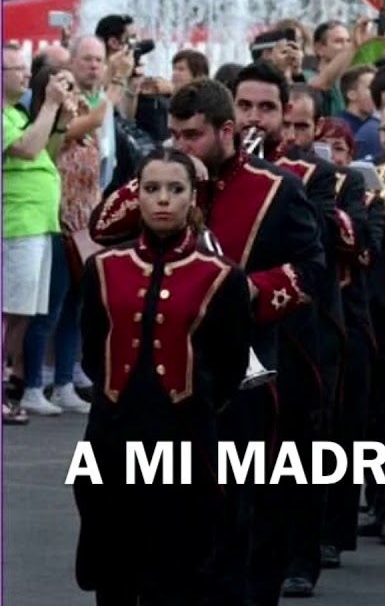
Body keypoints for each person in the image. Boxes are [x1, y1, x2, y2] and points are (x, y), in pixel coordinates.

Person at [73, 147, 252, 604]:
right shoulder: (104, 268)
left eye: (176, 189)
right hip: (110, 436)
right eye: (151, 189)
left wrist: (195, 406)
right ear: (136, 195)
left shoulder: (221, 277)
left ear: (194, 198)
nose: (163, 200)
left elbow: (229, 364)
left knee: (174, 571)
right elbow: (94, 350)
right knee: (112, 568)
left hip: (184, 440)